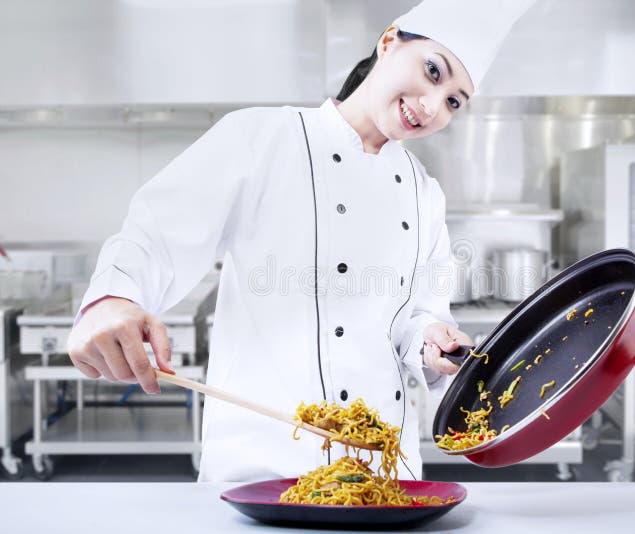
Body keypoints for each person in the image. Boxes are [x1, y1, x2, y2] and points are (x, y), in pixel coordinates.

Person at [67, 0, 534, 482]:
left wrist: (432, 340)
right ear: (389, 42)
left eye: (454, 101)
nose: (432, 106)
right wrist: (113, 299)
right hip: (262, 472)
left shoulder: (424, 193)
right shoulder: (262, 138)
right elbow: (157, 233)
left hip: (383, 477)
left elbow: (415, 319)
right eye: (433, 71)